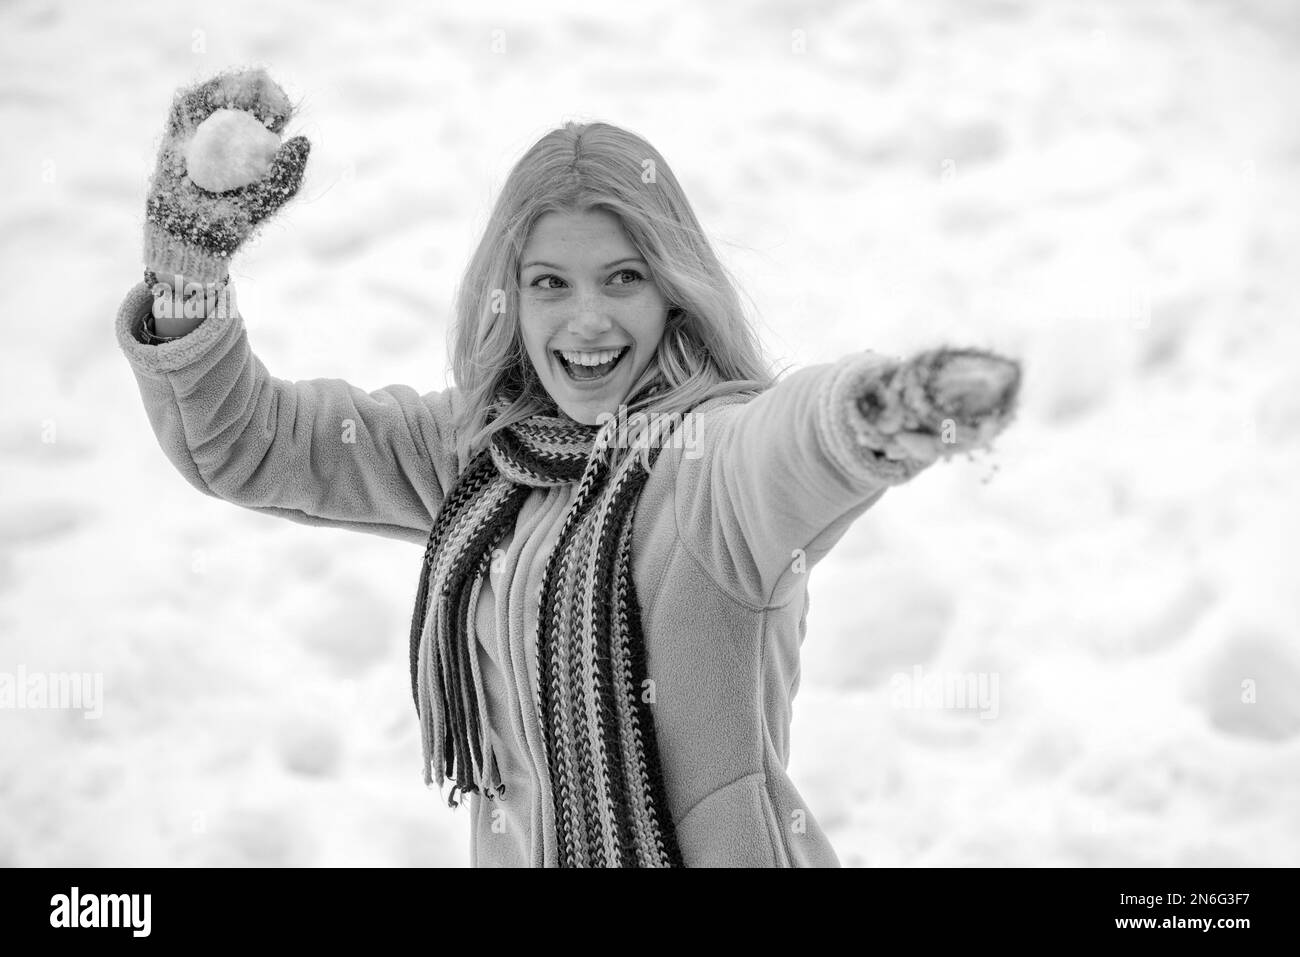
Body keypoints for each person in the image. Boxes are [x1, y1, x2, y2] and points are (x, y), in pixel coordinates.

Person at [115, 68, 1022, 867]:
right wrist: (185, 273)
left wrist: (881, 407)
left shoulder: (711, 469)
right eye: (550, 282)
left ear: (675, 288)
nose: (586, 320)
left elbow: (794, 439)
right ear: (507, 297)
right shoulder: (480, 462)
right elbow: (250, 444)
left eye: (623, 278)